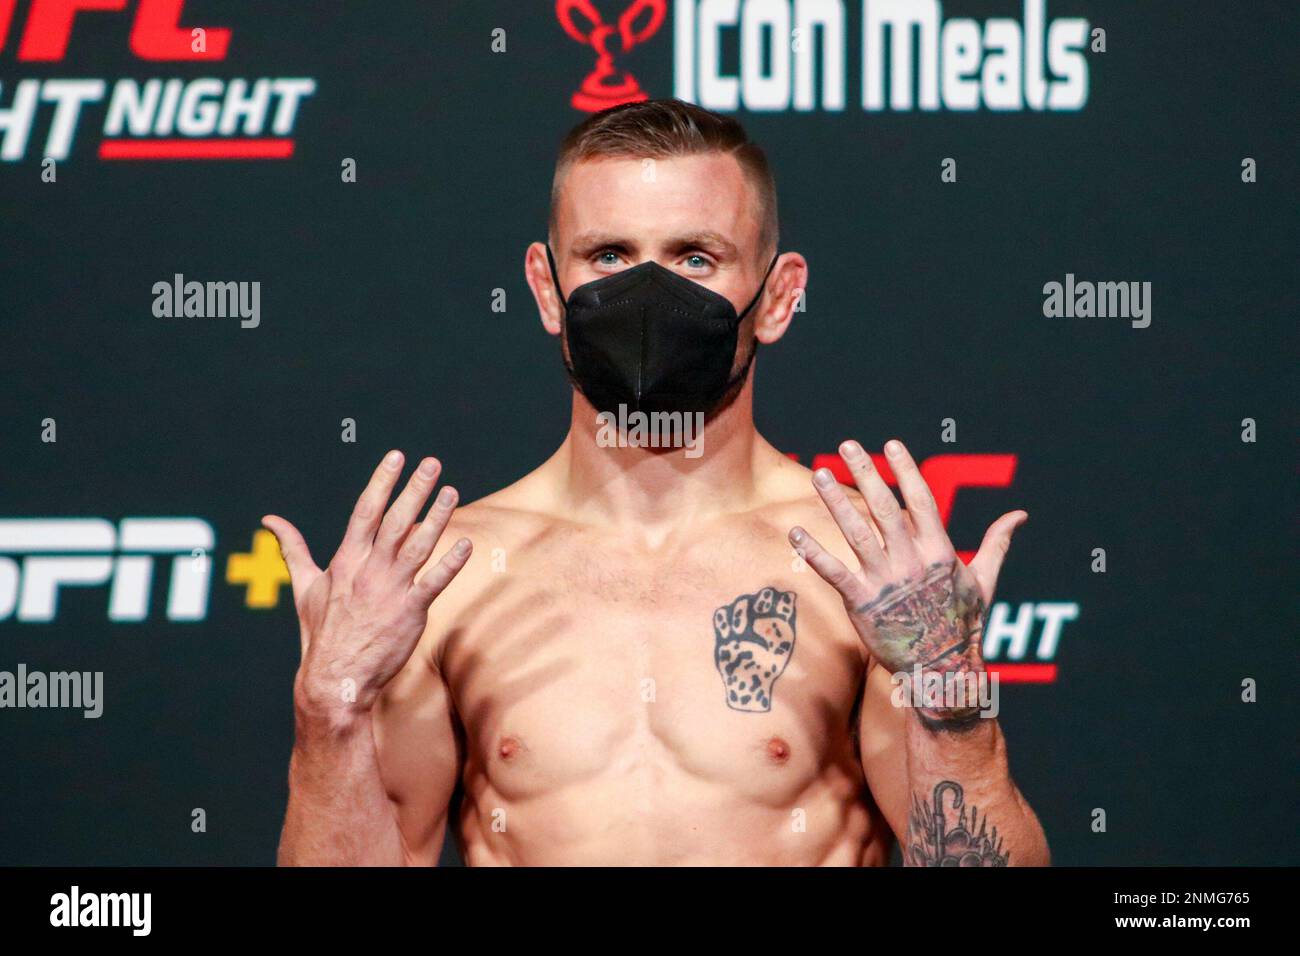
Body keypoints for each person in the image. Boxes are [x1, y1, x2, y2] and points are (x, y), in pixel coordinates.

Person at [264, 99, 1049, 866]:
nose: (647, 297)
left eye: (694, 258)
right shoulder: (443, 579)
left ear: (778, 296)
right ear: (546, 288)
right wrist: (328, 708)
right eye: (609, 256)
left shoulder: (863, 574)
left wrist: (948, 689)